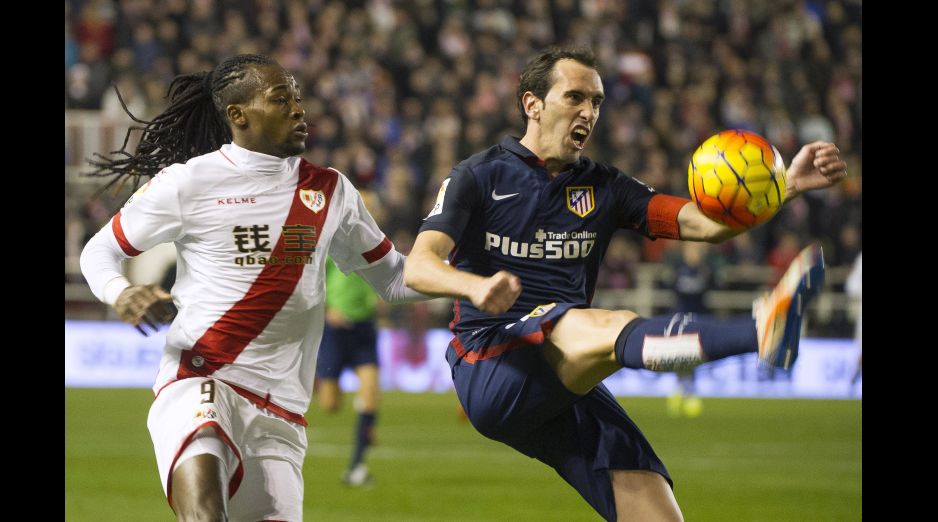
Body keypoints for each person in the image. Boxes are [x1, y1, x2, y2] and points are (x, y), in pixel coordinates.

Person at [403, 47, 847, 521]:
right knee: (601, 324)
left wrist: (785, 186)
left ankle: (763, 331)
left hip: (563, 378)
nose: (588, 112)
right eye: (574, 97)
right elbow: (418, 266)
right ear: (532, 104)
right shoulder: (478, 175)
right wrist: (472, 287)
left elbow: (707, 226)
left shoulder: (606, 187)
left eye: (596, 101)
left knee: (658, 515)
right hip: (490, 361)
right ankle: (760, 330)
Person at [79, 54, 426, 521]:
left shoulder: (331, 191)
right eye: (282, 99)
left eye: (298, 98)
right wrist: (122, 292)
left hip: (281, 410)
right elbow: (99, 252)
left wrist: (479, 272)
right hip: (202, 377)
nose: (299, 109)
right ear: (238, 115)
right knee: (204, 512)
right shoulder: (189, 182)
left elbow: (397, 279)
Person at [316, 255, 380, 488]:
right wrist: (326, 310)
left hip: (364, 328)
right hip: (335, 330)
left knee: (371, 392)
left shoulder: (373, 243)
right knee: (330, 405)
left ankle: (356, 466)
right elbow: (312, 280)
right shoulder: (332, 247)